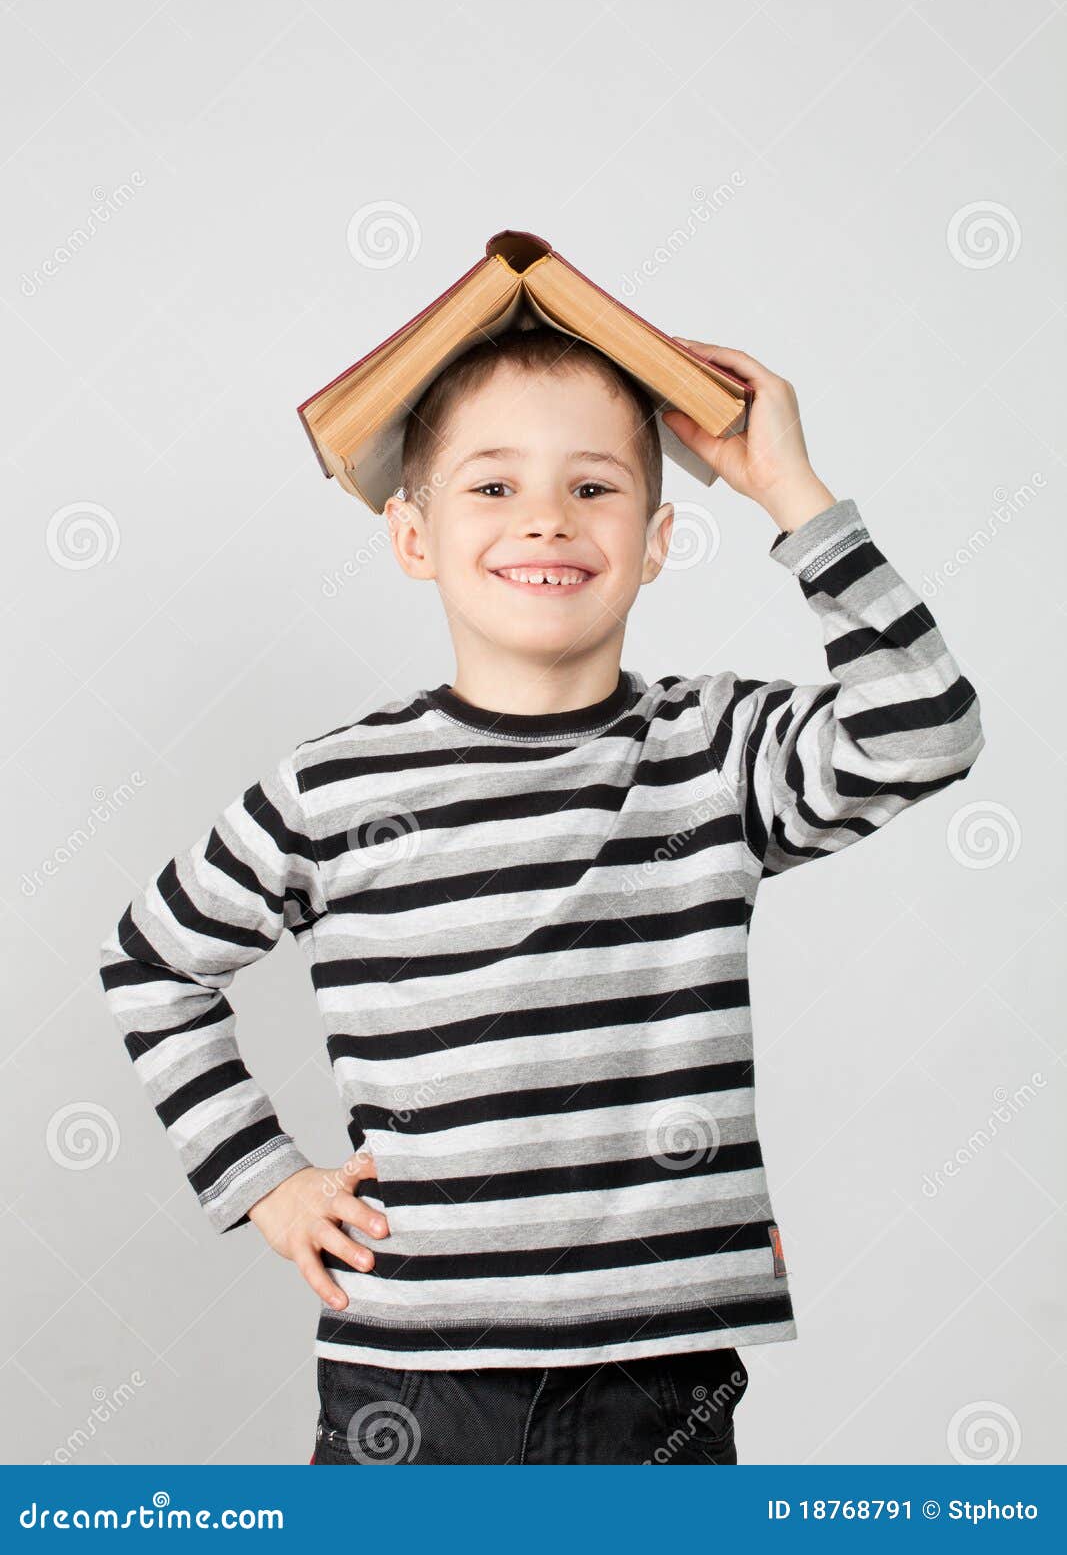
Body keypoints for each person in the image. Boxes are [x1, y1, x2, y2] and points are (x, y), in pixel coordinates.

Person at [99, 326, 985, 1465]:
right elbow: (154, 962)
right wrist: (264, 1179)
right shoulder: (332, 788)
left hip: (657, 1382)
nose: (545, 519)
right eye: (493, 484)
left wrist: (788, 489)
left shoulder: (712, 750)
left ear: (657, 539)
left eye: (592, 486)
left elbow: (924, 729)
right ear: (412, 536)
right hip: (415, 1380)